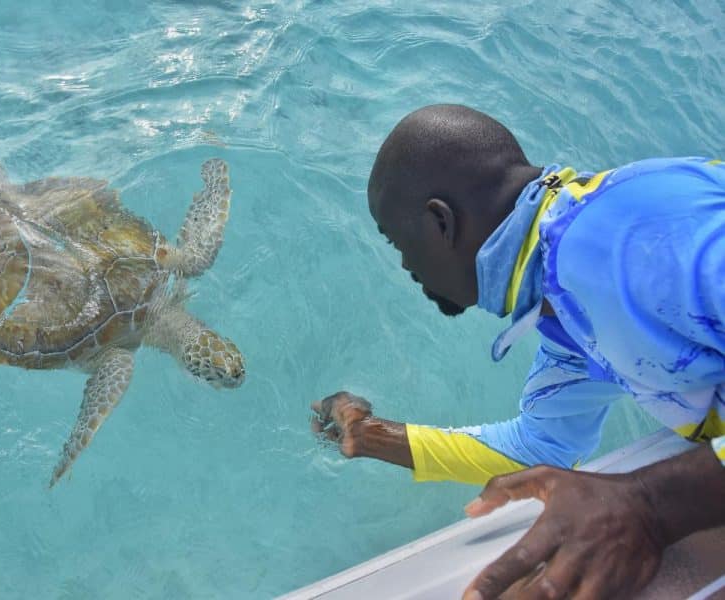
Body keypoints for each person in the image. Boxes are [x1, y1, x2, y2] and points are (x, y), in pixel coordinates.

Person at [311, 104, 725, 599]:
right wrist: (371, 436)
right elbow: (541, 447)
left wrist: (649, 506)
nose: (403, 263)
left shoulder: (627, 240)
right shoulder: (563, 301)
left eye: (397, 240)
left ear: (439, 222)